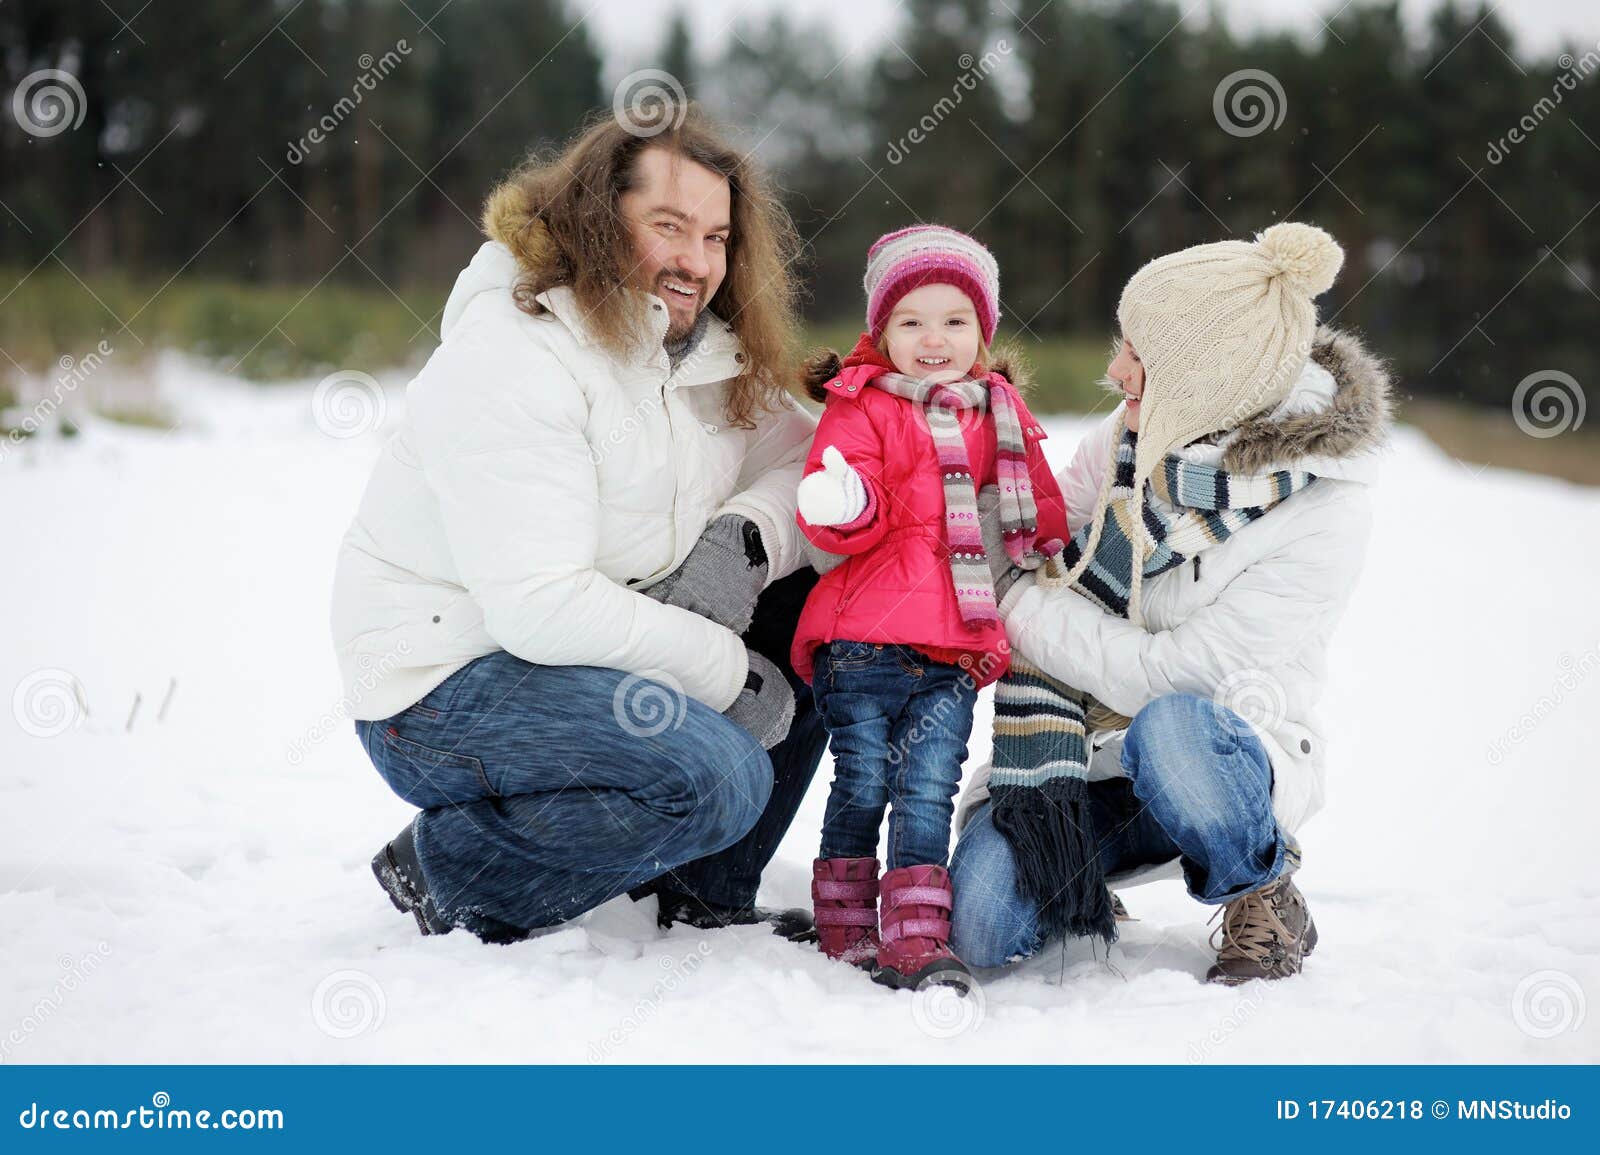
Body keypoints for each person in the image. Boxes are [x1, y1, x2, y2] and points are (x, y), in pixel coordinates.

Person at [330, 105, 828, 943]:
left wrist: (741, 539)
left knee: (823, 591)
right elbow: (540, 606)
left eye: (716, 238)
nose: (695, 262)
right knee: (716, 776)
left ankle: (705, 893)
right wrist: (723, 669)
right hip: (443, 681)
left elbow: (816, 465)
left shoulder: (703, 352)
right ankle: (451, 864)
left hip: (585, 651)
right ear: (598, 219)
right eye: (668, 227)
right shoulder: (517, 352)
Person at [950, 222, 1393, 983]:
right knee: (982, 922)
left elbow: (1172, 675)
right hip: (1082, 760)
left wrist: (1021, 608)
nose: (1115, 369)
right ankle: (1078, 870)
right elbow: (1032, 546)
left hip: (1217, 759)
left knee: (1172, 728)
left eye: (1139, 355)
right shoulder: (1129, 441)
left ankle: (1259, 881)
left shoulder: (1325, 511)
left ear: (1207, 377)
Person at [791, 225, 1069, 990]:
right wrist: (843, 500)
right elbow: (845, 501)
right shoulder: (863, 404)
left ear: (983, 330)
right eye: (911, 321)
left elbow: (1035, 500)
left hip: (951, 648)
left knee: (926, 786)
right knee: (862, 780)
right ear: (882, 329)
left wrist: (1042, 533)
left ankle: (916, 933)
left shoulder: (998, 416)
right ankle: (844, 917)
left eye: (955, 321)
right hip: (864, 642)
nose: (934, 340)